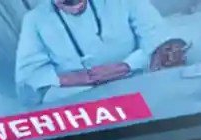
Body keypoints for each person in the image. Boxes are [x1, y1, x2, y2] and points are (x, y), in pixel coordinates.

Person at [15, 0, 188, 105]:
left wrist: (126, 66)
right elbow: (29, 78)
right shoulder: (35, 19)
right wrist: (84, 77)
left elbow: (159, 38)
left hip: (139, 86)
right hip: (82, 100)